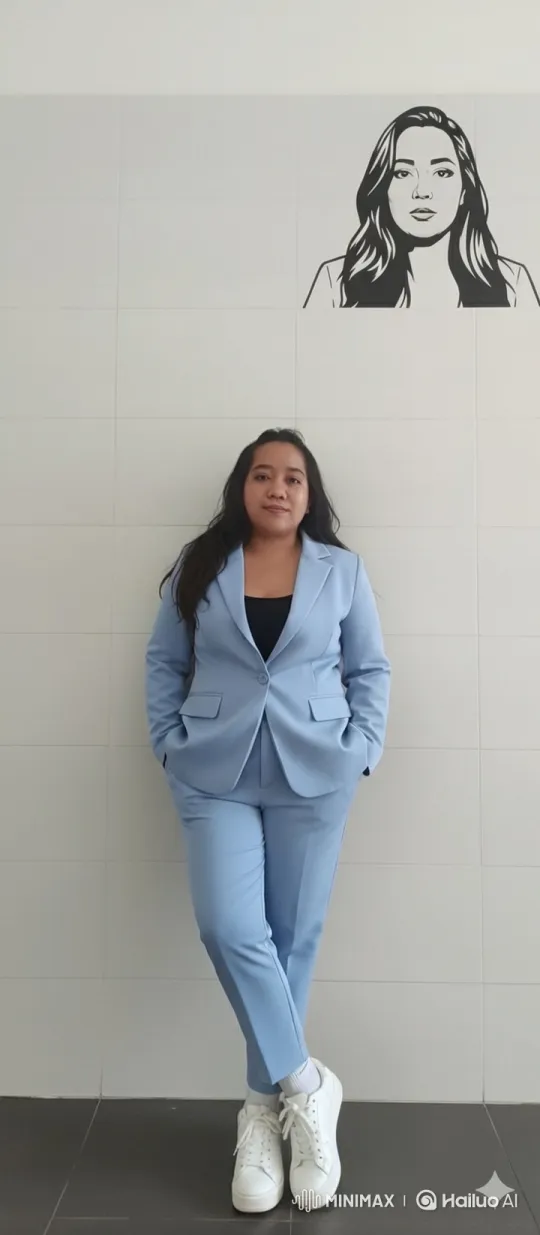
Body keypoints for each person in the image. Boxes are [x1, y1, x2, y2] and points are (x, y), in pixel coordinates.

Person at [145, 426, 391, 1213]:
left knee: (292, 938)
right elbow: (163, 660)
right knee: (228, 924)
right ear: (241, 487)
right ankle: (308, 1085)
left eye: (292, 477)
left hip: (315, 769)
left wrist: (361, 750)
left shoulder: (343, 571)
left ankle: (261, 1113)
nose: (277, 488)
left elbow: (370, 668)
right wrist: (167, 741)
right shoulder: (201, 564)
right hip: (213, 767)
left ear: (309, 494)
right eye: (262, 474)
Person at [304, 104, 540, 308]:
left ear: (464, 191)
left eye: (442, 172)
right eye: (403, 173)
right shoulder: (336, 281)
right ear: (382, 188)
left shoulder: (512, 282)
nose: (422, 192)